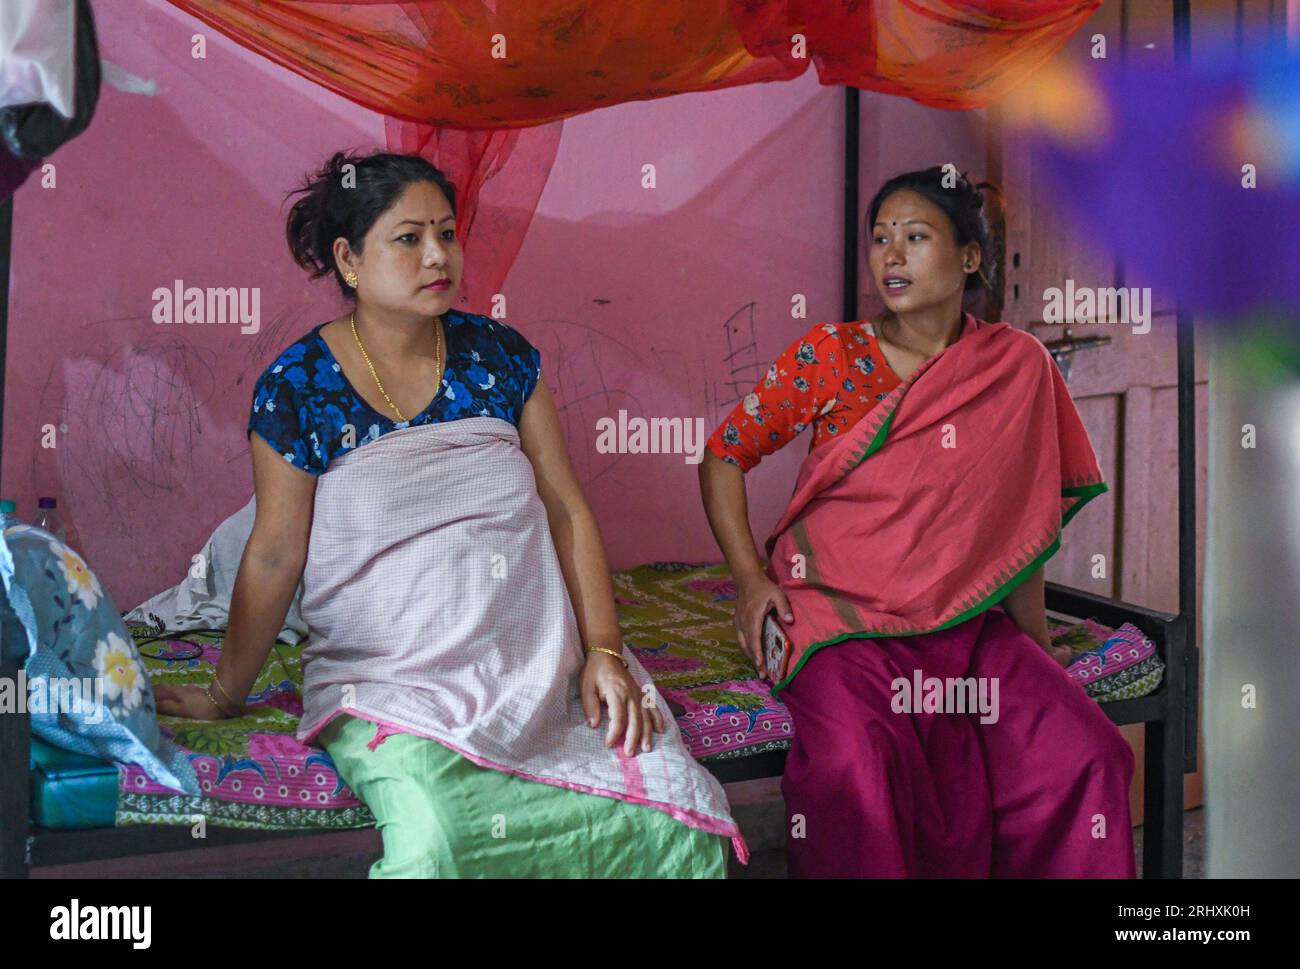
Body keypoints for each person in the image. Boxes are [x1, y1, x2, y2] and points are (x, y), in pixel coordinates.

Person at [155, 149, 745, 878]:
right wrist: (223, 692)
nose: (438, 255)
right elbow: (275, 554)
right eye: (409, 238)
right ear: (348, 258)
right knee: (436, 840)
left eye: (446, 233)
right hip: (390, 676)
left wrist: (603, 651)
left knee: (670, 814)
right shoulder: (299, 387)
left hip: (535, 663)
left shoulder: (499, 358)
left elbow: (564, 507)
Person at [698, 166, 1136, 878]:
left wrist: (1035, 646)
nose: (890, 256)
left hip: (962, 622)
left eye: (914, 236)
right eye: (879, 239)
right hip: (834, 619)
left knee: (1084, 751)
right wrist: (749, 582)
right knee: (857, 767)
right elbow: (722, 455)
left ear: (969, 257)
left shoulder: (1013, 365)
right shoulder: (829, 356)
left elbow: (1017, 527)